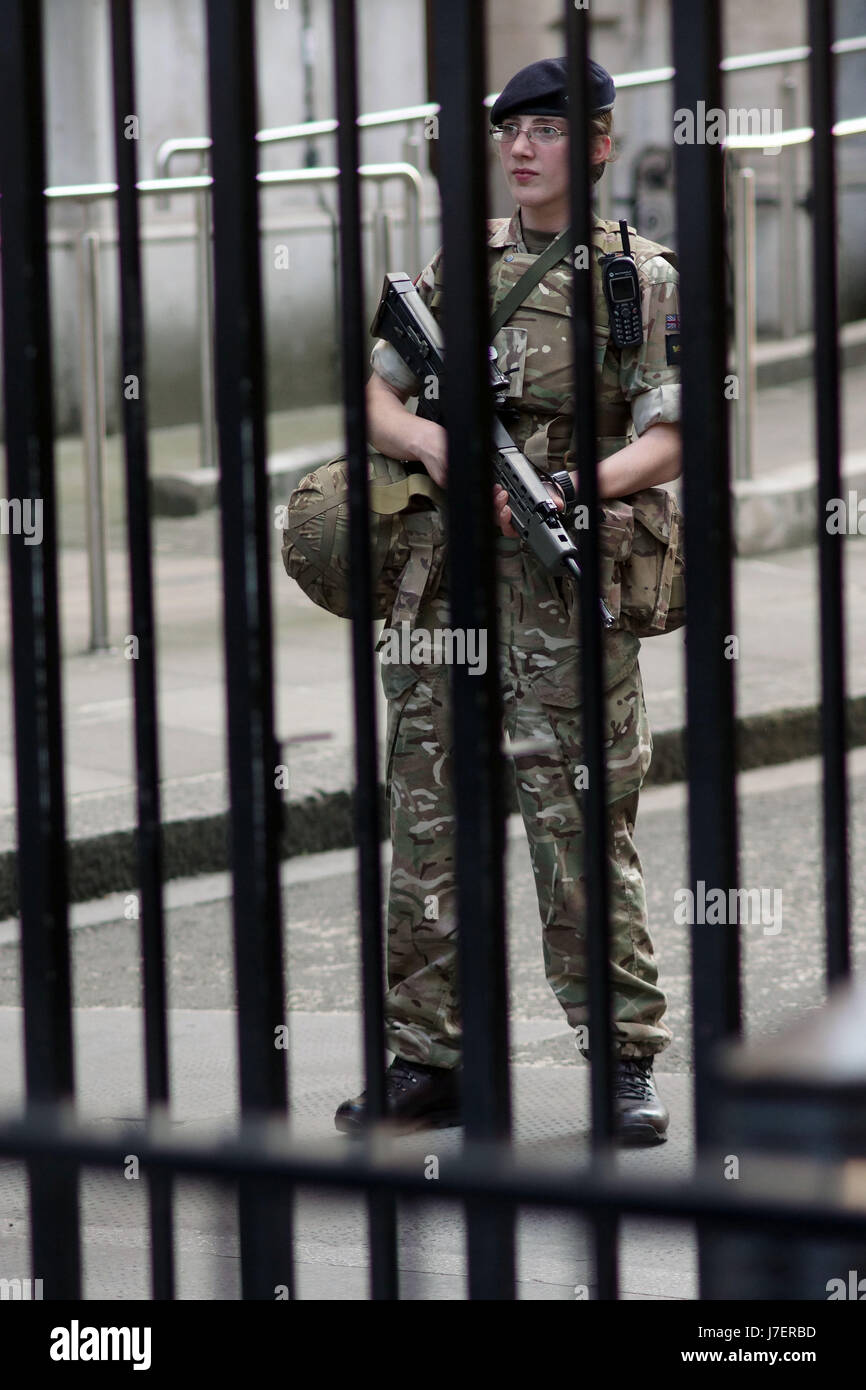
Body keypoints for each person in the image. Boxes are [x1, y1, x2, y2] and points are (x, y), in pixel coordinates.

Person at [335, 56, 682, 1146]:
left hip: (561, 588)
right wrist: (431, 438)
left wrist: (576, 485)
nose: (520, 149)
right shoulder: (459, 267)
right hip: (446, 586)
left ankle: (620, 1060)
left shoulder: (640, 279)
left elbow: (674, 436)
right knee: (427, 828)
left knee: (577, 832)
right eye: (507, 132)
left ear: (595, 143)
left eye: (542, 130)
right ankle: (426, 1062)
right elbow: (376, 396)